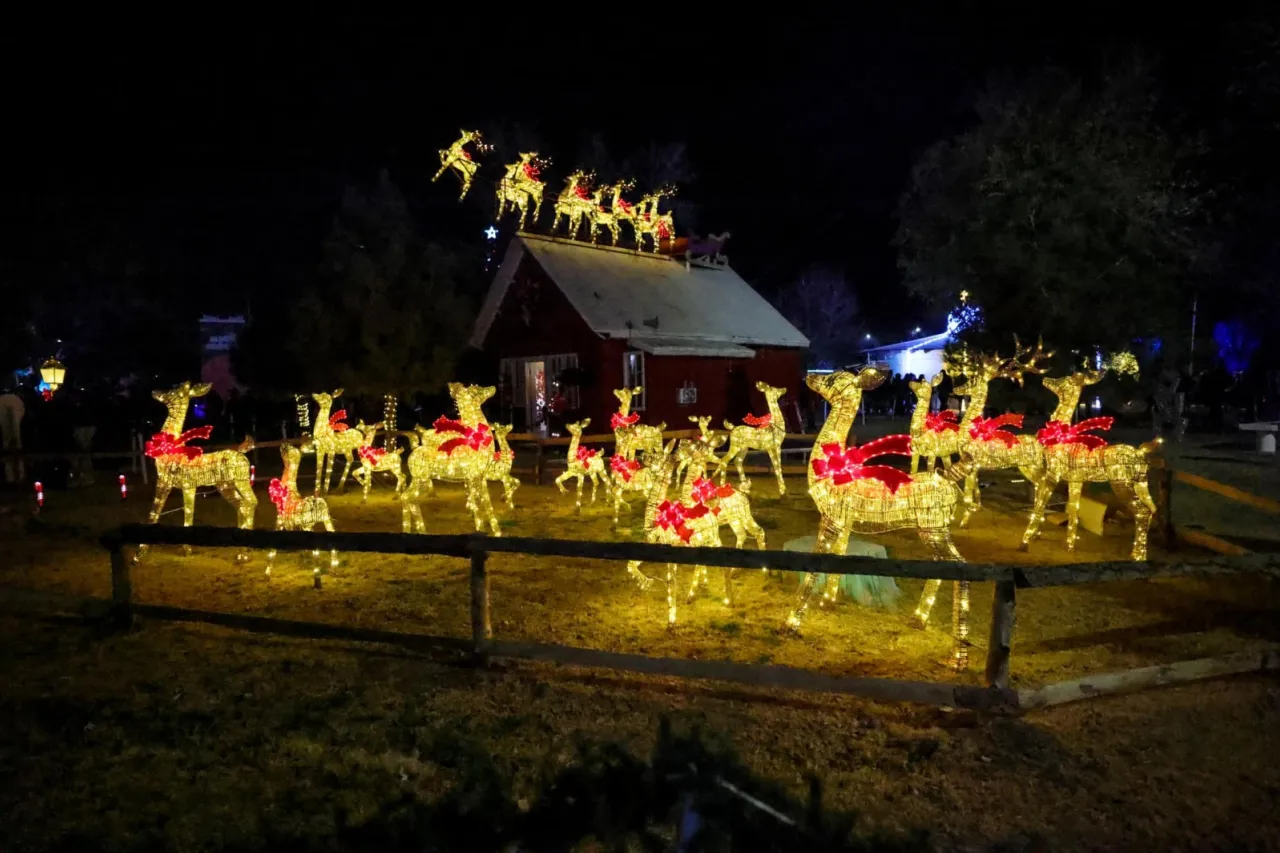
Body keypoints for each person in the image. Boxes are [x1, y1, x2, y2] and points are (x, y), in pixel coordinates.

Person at [0, 386, 25, 484]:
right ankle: (19, 475)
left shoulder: (2, 400)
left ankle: (10, 477)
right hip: (18, 433)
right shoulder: (17, 401)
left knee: (7, 444)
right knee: (16, 445)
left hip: (6, 433)